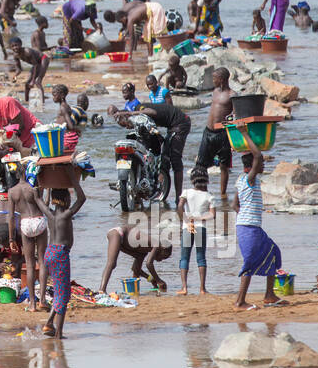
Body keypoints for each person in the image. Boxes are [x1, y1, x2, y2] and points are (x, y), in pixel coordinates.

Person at [233, 135, 284, 309]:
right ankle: (240, 301)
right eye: (261, 164)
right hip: (249, 228)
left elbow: (235, 204)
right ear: (251, 167)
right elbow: (257, 156)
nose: (263, 165)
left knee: (273, 252)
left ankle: (269, 295)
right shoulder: (249, 178)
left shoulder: (241, 180)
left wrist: (246, 214)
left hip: (251, 226)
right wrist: (244, 133)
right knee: (250, 262)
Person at [28, 187, 84, 337]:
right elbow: (82, 199)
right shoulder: (66, 215)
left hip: (49, 252)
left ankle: (50, 324)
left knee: (61, 292)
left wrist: (40, 186)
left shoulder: (50, 214)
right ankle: (57, 332)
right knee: (63, 294)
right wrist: (73, 180)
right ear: (65, 199)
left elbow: (38, 199)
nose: (71, 200)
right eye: (69, 198)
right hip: (60, 254)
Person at [116, 97, 191, 199]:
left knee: (175, 159)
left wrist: (132, 113)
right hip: (171, 126)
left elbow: (152, 112)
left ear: (127, 116)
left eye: (125, 124)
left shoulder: (139, 109)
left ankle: (179, 197)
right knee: (164, 160)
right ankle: (152, 188)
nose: (128, 127)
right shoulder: (140, 120)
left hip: (180, 123)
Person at [100, 221, 172, 294]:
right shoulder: (156, 243)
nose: (161, 260)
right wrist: (159, 280)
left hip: (123, 243)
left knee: (139, 258)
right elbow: (149, 264)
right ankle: (102, 290)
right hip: (117, 233)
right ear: (163, 248)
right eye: (164, 257)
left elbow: (136, 269)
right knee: (111, 263)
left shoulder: (143, 252)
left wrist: (151, 279)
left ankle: (134, 289)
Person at [195, 67, 234, 196]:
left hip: (222, 134)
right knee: (201, 163)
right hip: (208, 131)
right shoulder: (215, 91)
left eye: (214, 78)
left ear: (221, 79)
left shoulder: (232, 95)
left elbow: (236, 114)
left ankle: (223, 194)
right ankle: (202, 191)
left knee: (224, 165)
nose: (213, 80)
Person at [177, 169, 215, 294]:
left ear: (193, 180)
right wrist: (200, 218)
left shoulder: (187, 192)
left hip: (188, 226)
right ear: (207, 181)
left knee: (184, 257)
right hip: (201, 227)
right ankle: (202, 288)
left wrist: (186, 220)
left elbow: (180, 206)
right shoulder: (209, 196)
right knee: (201, 257)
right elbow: (212, 215)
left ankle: (184, 288)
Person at [9, 37, 49, 104]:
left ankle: (42, 103)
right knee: (27, 84)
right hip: (36, 64)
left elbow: (36, 65)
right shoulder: (15, 55)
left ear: (20, 44)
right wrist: (15, 76)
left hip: (43, 59)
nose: (15, 48)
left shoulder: (27, 52)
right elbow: (19, 69)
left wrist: (33, 81)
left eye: (16, 45)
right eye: (12, 46)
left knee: (38, 82)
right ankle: (26, 101)